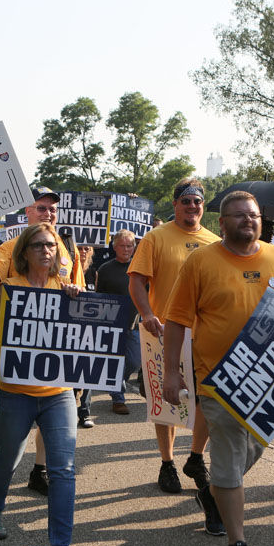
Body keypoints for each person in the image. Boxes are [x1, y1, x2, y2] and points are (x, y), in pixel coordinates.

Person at [163, 191, 274, 546]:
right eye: (239, 215)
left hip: (270, 382)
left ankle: (214, 490)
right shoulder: (201, 261)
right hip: (221, 383)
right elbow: (177, 321)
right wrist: (171, 373)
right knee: (231, 458)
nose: (249, 220)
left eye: (254, 215)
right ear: (222, 221)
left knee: (247, 453)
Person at [0, 221, 85, 546]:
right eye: (37, 245)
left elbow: (85, 336)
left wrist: (77, 305)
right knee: (8, 458)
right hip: (14, 393)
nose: (45, 251)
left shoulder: (66, 289)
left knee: (63, 469)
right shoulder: (10, 289)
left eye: (51, 245)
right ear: (24, 252)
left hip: (57, 395)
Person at [0, 186, 83, 496]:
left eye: (52, 208)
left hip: (55, 364)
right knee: (8, 456)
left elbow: (80, 300)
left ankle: (41, 470)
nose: (48, 213)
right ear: (27, 212)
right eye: (41, 207)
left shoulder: (68, 249)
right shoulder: (12, 248)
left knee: (60, 450)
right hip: (16, 369)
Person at [128, 178, 220, 495]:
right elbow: (137, 282)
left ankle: (195, 457)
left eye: (197, 201)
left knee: (206, 400)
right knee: (166, 404)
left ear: (202, 206)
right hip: (163, 333)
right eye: (186, 201)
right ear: (176, 205)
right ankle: (167, 463)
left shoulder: (214, 241)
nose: (192, 206)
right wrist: (147, 314)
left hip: (204, 335)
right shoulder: (156, 238)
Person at [93, 229, 139, 416]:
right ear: (114, 247)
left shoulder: (141, 267)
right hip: (111, 324)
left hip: (135, 323)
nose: (126, 249)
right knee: (114, 361)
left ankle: (117, 381)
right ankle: (118, 398)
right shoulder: (105, 269)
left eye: (130, 246)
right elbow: (99, 297)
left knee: (135, 361)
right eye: (122, 245)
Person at [74, 243, 97, 427]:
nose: (83, 252)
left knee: (88, 371)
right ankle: (69, 408)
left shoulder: (95, 273)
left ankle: (85, 411)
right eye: (79, 248)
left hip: (90, 329)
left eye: (86, 249)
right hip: (70, 330)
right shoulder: (66, 270)